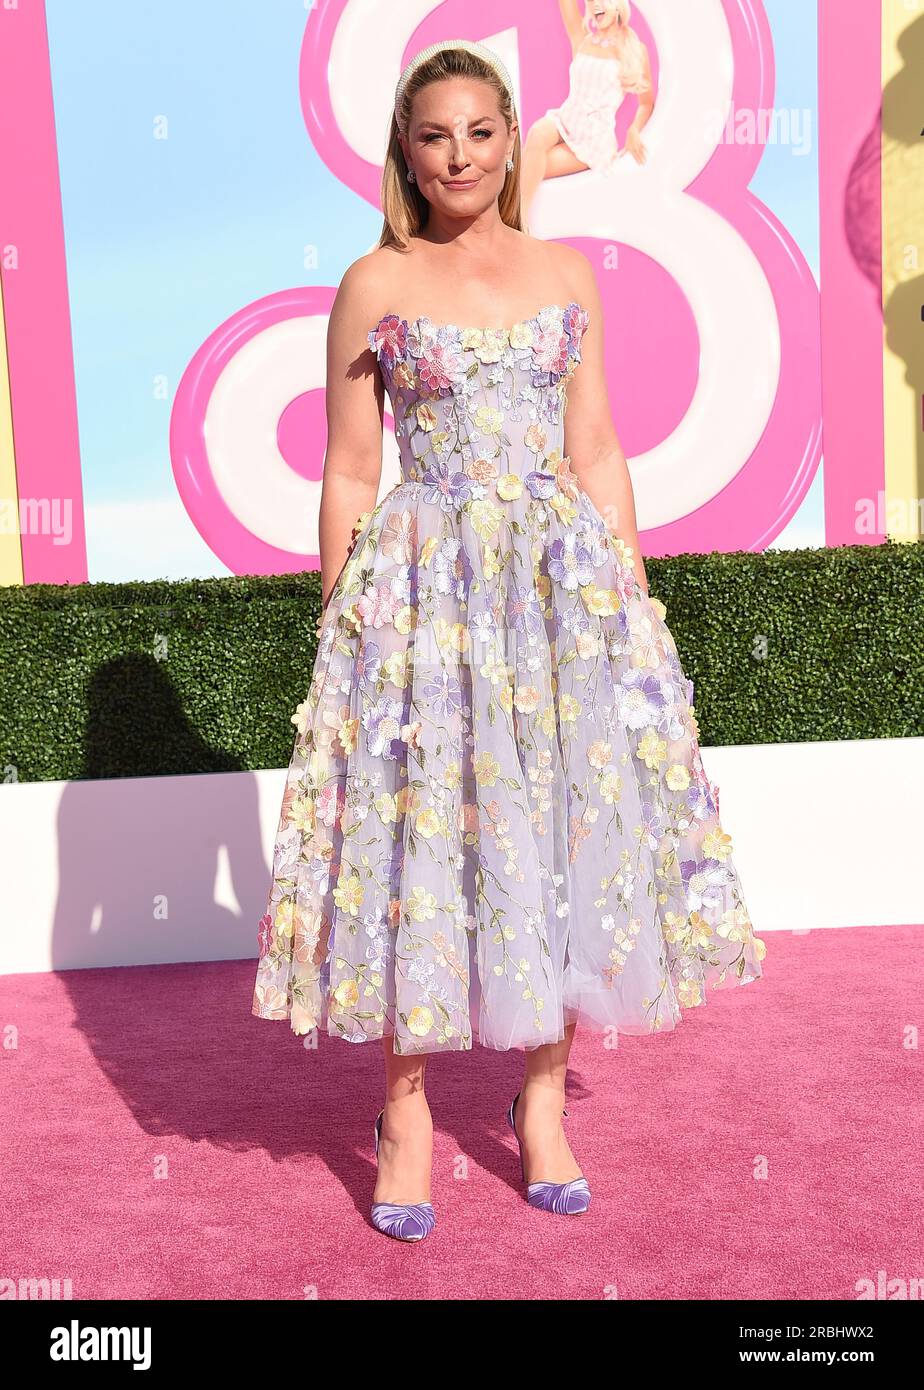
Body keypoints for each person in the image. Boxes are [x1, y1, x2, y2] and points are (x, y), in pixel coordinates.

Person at [250, 37, 765, 1243]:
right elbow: (350, 466)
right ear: (406, 150)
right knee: (415, 841)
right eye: (436, 135)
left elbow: (595, 449)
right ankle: (406, 1115)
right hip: (425, 597)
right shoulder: (374, 285)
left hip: (552, 590)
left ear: (508, 135)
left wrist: (626, 592)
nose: (462, 154)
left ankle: (542, 1105)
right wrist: (344, 616)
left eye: (481, 130)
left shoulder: (565, 272)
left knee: (553, 830)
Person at [521, 1, 654, 223]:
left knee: (525, 169)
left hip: (593, 139)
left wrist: (634, 130)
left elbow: (646, 104)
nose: (596, 6)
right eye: (591, 2)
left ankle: (515, 224)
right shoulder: (581, 37)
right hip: (565, 118)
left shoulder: (635, 50)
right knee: (537, 132)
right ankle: (520, 223)